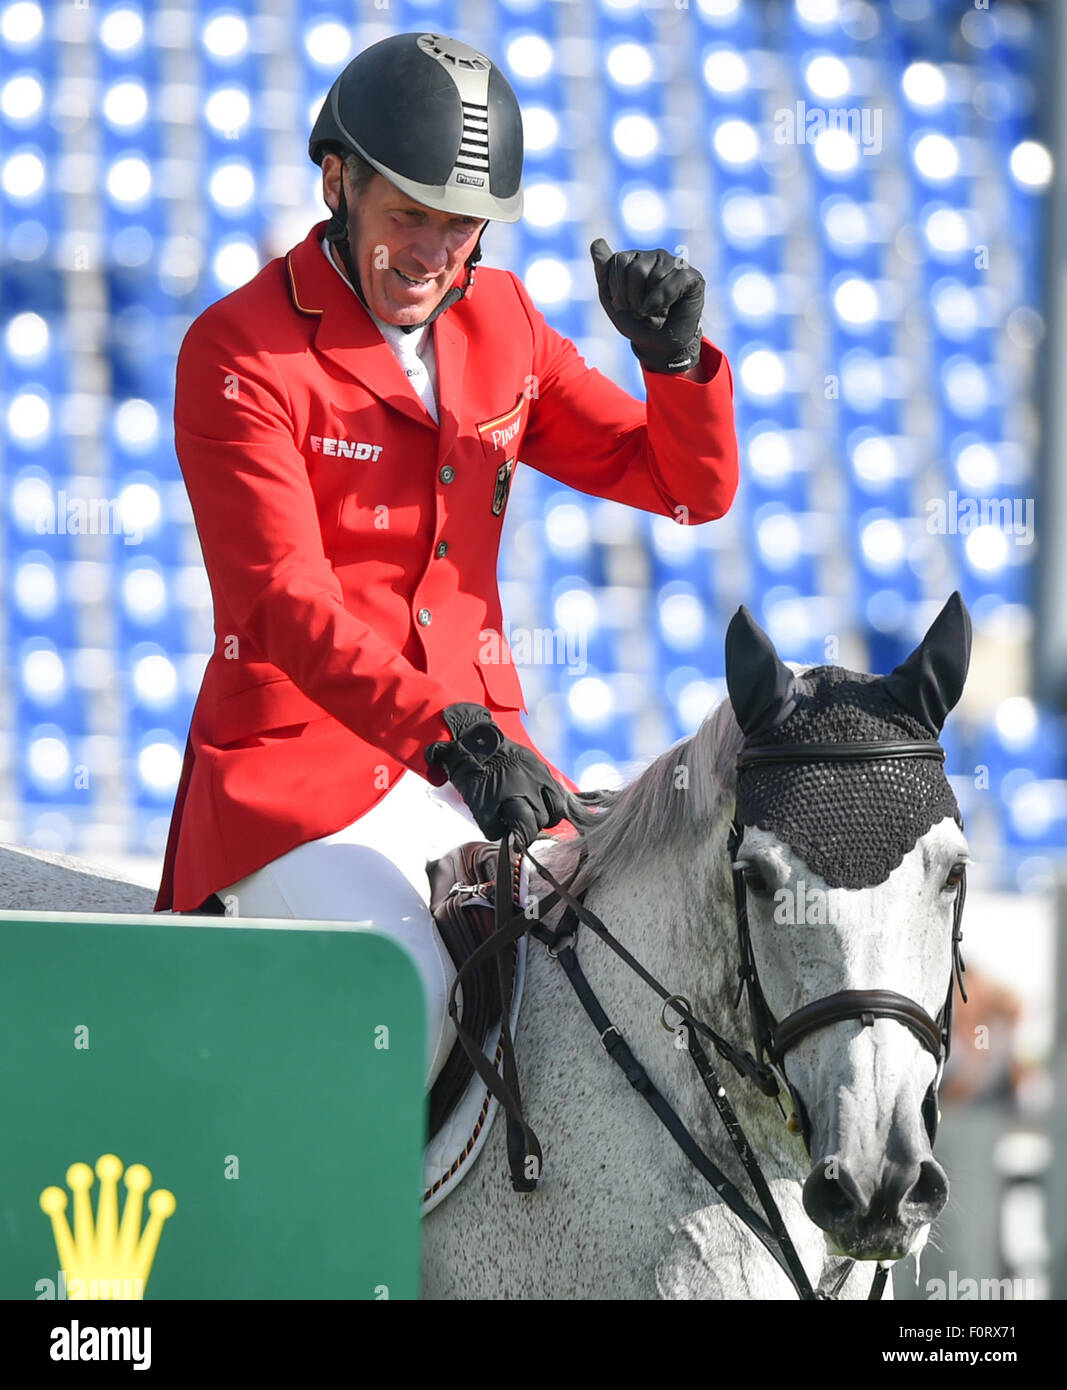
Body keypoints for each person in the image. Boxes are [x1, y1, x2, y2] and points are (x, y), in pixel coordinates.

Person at [152, 32, 739, 1084]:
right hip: (297, 774)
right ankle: (334, 1249)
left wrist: (675, 364)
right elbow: (282, 601)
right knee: (411, 1002)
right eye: (406, 215)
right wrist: (447, 736)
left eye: (458, 223)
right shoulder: (238, 351)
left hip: (481, 763)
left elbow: (684, 488)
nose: (433, 251)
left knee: (621, 977)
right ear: (337, 183)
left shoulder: (504, 320)